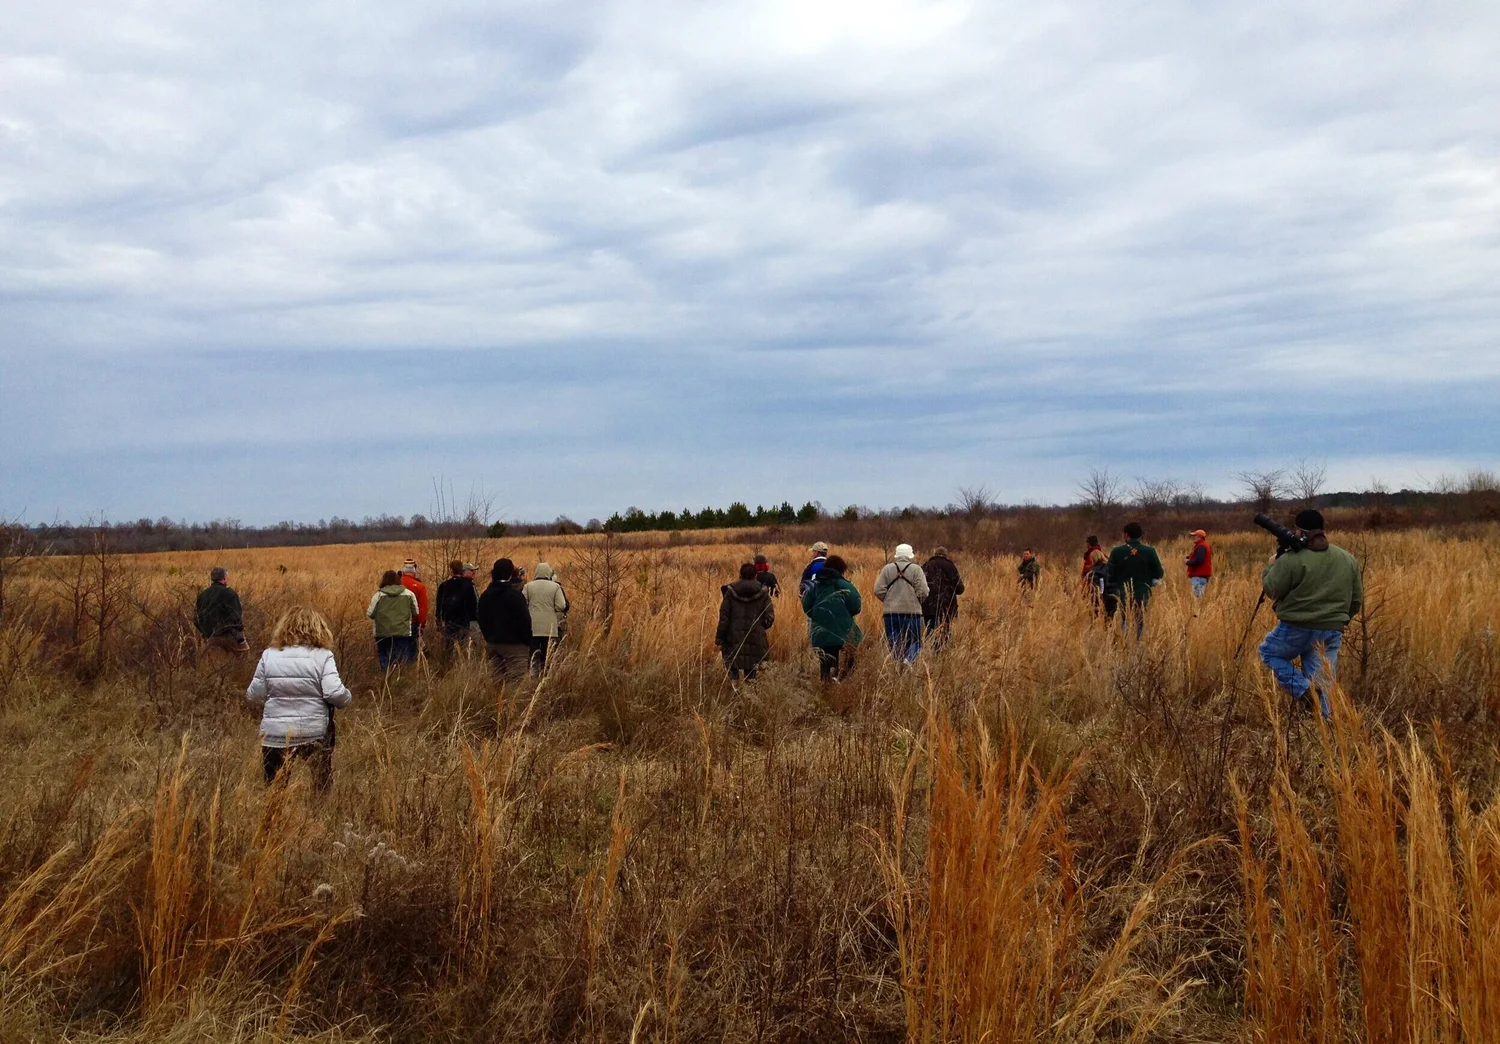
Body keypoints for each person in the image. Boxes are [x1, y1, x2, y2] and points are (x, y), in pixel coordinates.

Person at [1258, 510, 1364, 719]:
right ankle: (1326, 730)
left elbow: (1272, 590)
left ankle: (1303, 690)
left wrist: (1271, 566)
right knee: (1323, 680)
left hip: (1296, 628)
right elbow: (1357, 600)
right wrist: (1338, 620)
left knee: (1269, 653)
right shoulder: (1347, 558)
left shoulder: (1291, 559)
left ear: (1299, 530)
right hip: (1332, 630)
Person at [245, 606, 351, 792]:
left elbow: (254, 694)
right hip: (314, 733)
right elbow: (334, 693)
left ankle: (275, 819)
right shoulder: (323, 656)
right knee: (321, 785)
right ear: (319, 628)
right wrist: (347, 697)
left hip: (275, 735)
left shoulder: (269, 655)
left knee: (274, 790)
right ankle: (318, 814)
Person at [802, 555, 862, 681]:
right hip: (844, 631)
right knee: (850, 660)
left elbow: (807, 607)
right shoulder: (845, 585)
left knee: (825, 664)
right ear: (841, 569)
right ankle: (842, 683)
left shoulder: (815, 586)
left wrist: (819, 615)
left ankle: (826, 687)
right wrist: (844, 614)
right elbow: (856, 606)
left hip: (820, 632)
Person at [716, 563, 776, 682]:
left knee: (733, 671)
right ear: (755, 576)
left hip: (732, 638)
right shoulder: (763, 593)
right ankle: (750, 696)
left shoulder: (730, 592)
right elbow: (769, 618)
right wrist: (760, 627)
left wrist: (720, 637)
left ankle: (734, 694)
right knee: (751, 672)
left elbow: (724, 618)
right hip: (755, 637)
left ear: (740, 575)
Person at [477, 558, 533, 681]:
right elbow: (524, 621)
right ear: (510, 574)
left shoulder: (485, 595)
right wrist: (527, 641)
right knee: (516, 684)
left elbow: (481, 619)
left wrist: (489, 637)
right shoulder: (515, 596)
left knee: (497, 682)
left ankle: (496, 701)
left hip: (493, 644)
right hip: (515, 646)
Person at [874, 543, 930, 665]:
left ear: (896, 555)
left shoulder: (887, 569)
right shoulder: (916, 569)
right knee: (915, 641)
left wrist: (889, 601)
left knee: (894, 642)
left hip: (891, 614)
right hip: (912, 613)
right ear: (910, 555)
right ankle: (909, 661)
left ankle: (898, 665)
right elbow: (924, 591)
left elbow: (878, 590)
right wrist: (915, 602)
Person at [1107, 522, 1164, 637]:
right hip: (1142, 592)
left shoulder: (1116, 551)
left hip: (1124, 592)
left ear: (1126, 535)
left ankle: (1125, 643)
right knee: (1140, 619)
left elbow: (1110, 574)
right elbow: (1159, 572)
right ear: (1140, 535)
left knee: (1125, 618)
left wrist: (1117, 582)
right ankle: (1138, 644)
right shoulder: (1150, 551)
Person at [367, 570, 419, 670]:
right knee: (401, 658)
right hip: (402, 631)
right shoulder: (409, 594)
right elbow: (415, 612)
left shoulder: (378, 595)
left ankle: (386, 677)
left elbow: (370, 613)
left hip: (382, 631)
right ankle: (399, 679)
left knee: (384, 654)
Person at [523, 562, 569, 674]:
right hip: (550, 628)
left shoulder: (528, 586)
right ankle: (546, 675)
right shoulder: (555, 586)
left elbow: (523, 603)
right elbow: (561, 605)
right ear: (549, 573)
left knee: (533, 655)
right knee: (548, 655)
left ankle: (533, 677)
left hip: (533, 627)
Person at [195, 566, 248, 656]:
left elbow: (197, 618)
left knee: (213, 665)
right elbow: (236, 617)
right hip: (229, 635)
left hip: (210, 638)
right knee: (244, 655)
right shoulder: (230, 593)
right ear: (224, 578)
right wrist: (239, 632)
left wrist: (205, 633)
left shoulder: (202, 595)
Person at [921, 546, 964, 646]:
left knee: (930, 629)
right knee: (944, 630)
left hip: (928, 606)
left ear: (935, 554)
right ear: (945, 555)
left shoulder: (926, 566)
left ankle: (930, 650)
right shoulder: (950, 567)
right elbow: (960, 589)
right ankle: (941, 652)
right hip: (946, 607)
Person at [434, 560, 479, 654]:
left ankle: (447, 664)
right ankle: (462, 665)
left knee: (449, 648)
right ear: (462, 570)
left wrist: (439, 619)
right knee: (463, 648)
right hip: (463, 621)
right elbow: (473, 604)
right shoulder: (468, 585)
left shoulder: (444, 585)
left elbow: (439, 604)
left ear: (451, 570)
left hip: (449, 621)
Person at [399, 560, 429, 651]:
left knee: (398, 650)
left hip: (396, 622)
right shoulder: (420, 586)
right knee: (412, 651)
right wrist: (422, 624)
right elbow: (422, 607)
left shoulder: (394, 584)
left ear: (403, 570)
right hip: (413, 622)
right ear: (414, 571)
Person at [1081, 536, 1112, 615]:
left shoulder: (1092, 554)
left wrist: (1085, 591)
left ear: (1088, 544)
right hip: (1107, 593)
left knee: (1094, 612)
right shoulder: (1101, 553)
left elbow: (1088, 575)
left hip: (1094, 591)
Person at [1185, 530, 1213, 601]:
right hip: (1201, 575)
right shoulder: (1203, 545)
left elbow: (1199, 560)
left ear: (1199, 537)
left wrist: (1188, 562)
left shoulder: (1201, 546)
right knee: (1199, 598)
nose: (1194, 537)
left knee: (1198, 600)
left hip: (1199, 576)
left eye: (1195, 536)